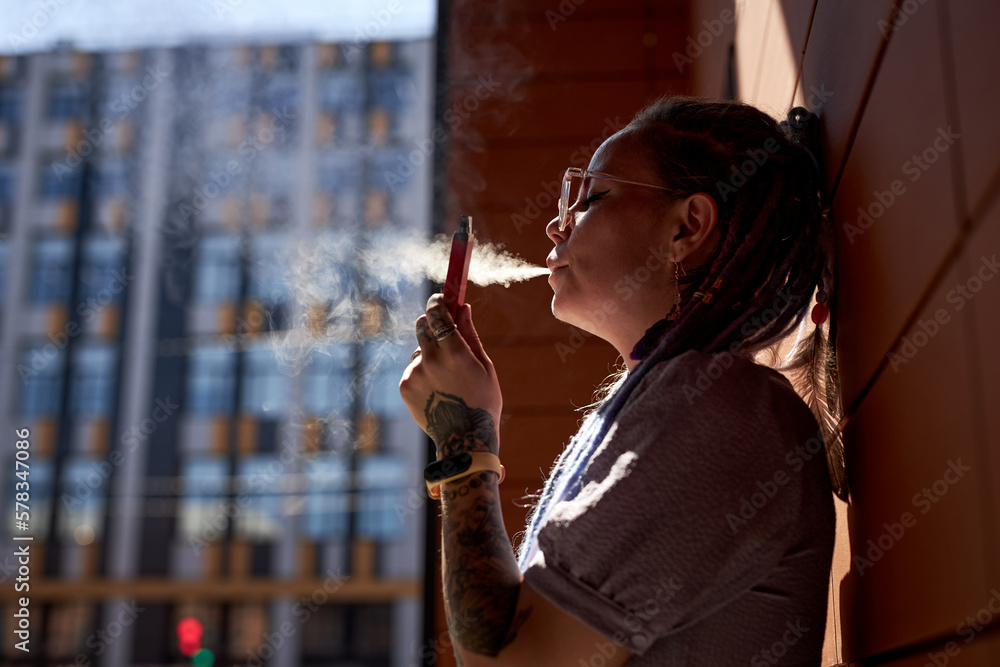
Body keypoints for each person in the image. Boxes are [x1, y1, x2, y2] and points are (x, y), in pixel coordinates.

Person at [399, 96, 848, 666]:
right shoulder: (670, 400)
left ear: (688, 227)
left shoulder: (713, 415)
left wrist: (465, 441)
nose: (556, 223)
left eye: (592, 198)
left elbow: (508, 660)